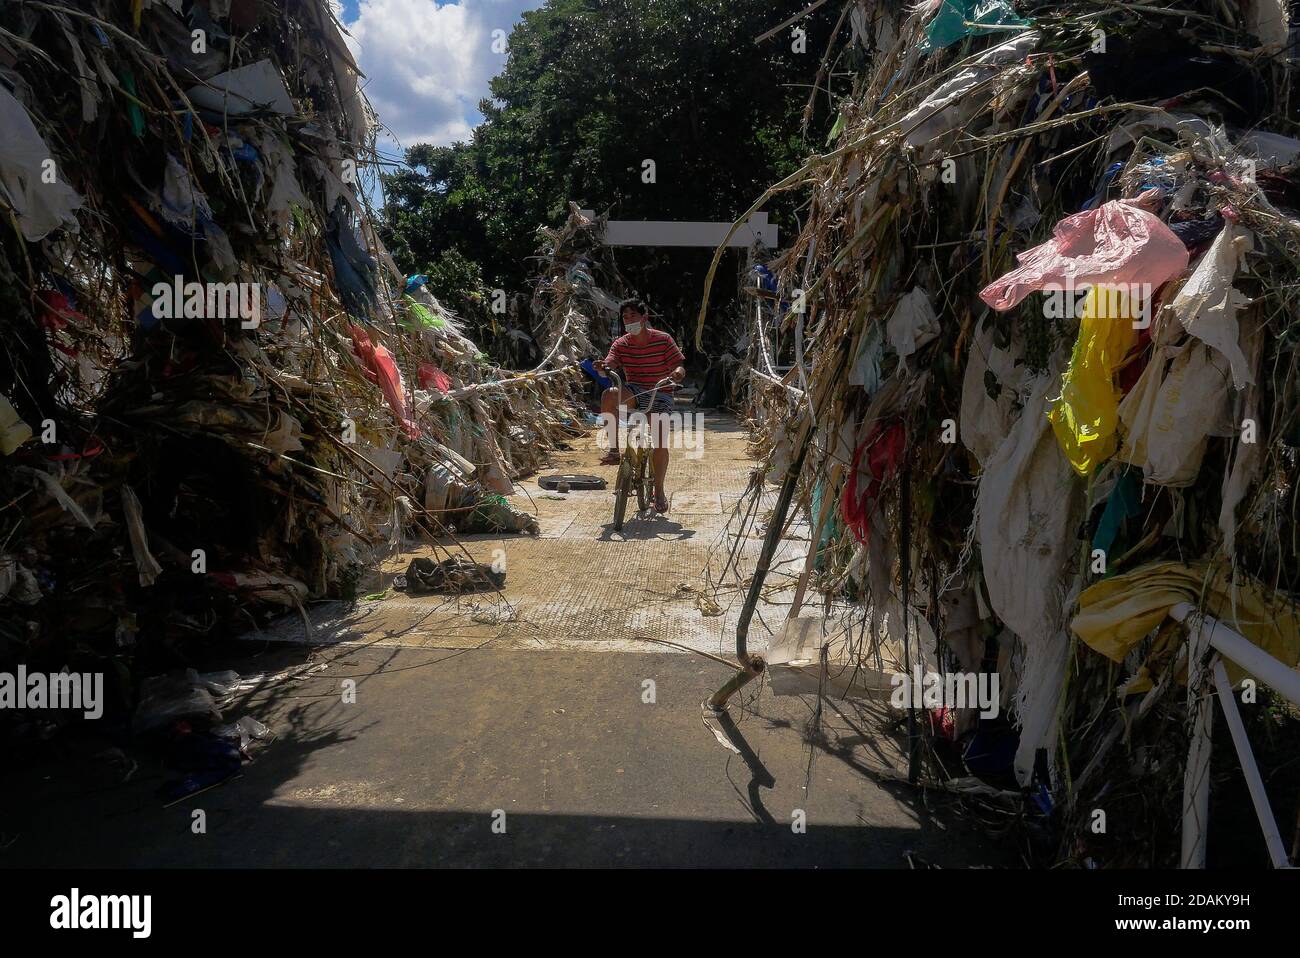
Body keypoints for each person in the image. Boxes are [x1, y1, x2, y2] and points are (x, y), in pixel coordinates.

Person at [595, 298, 686, 513]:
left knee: (660, 443)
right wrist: (603, 367)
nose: (629, 320)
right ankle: (614, 449)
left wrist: (677, 374)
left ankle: (660, 490)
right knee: (609, 394)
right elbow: (610, 362)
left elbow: (679, 365)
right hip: (636, 392)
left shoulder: (663, 340)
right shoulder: (621, 343)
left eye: (633, 316)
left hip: (660, 393)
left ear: (644, 317)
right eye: (625, 317)